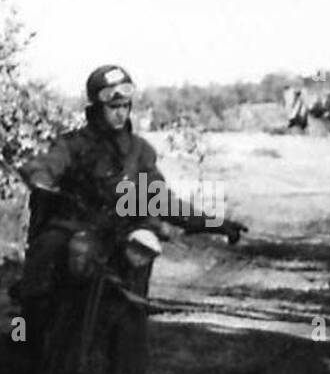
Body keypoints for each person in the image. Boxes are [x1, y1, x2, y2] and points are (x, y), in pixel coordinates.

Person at [16, 65, 244, 340]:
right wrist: (39, 176)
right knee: (42, 259)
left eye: (124, 105)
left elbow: (163, 201)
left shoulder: (140, 152)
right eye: (113, 106)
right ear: (96, 107)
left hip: (121, 233)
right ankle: (24, 334)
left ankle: (129, 344)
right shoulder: (72, 144)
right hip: (75, 226)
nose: (120, 112)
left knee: (142, 251)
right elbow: (47, 165)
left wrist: (216, 224)